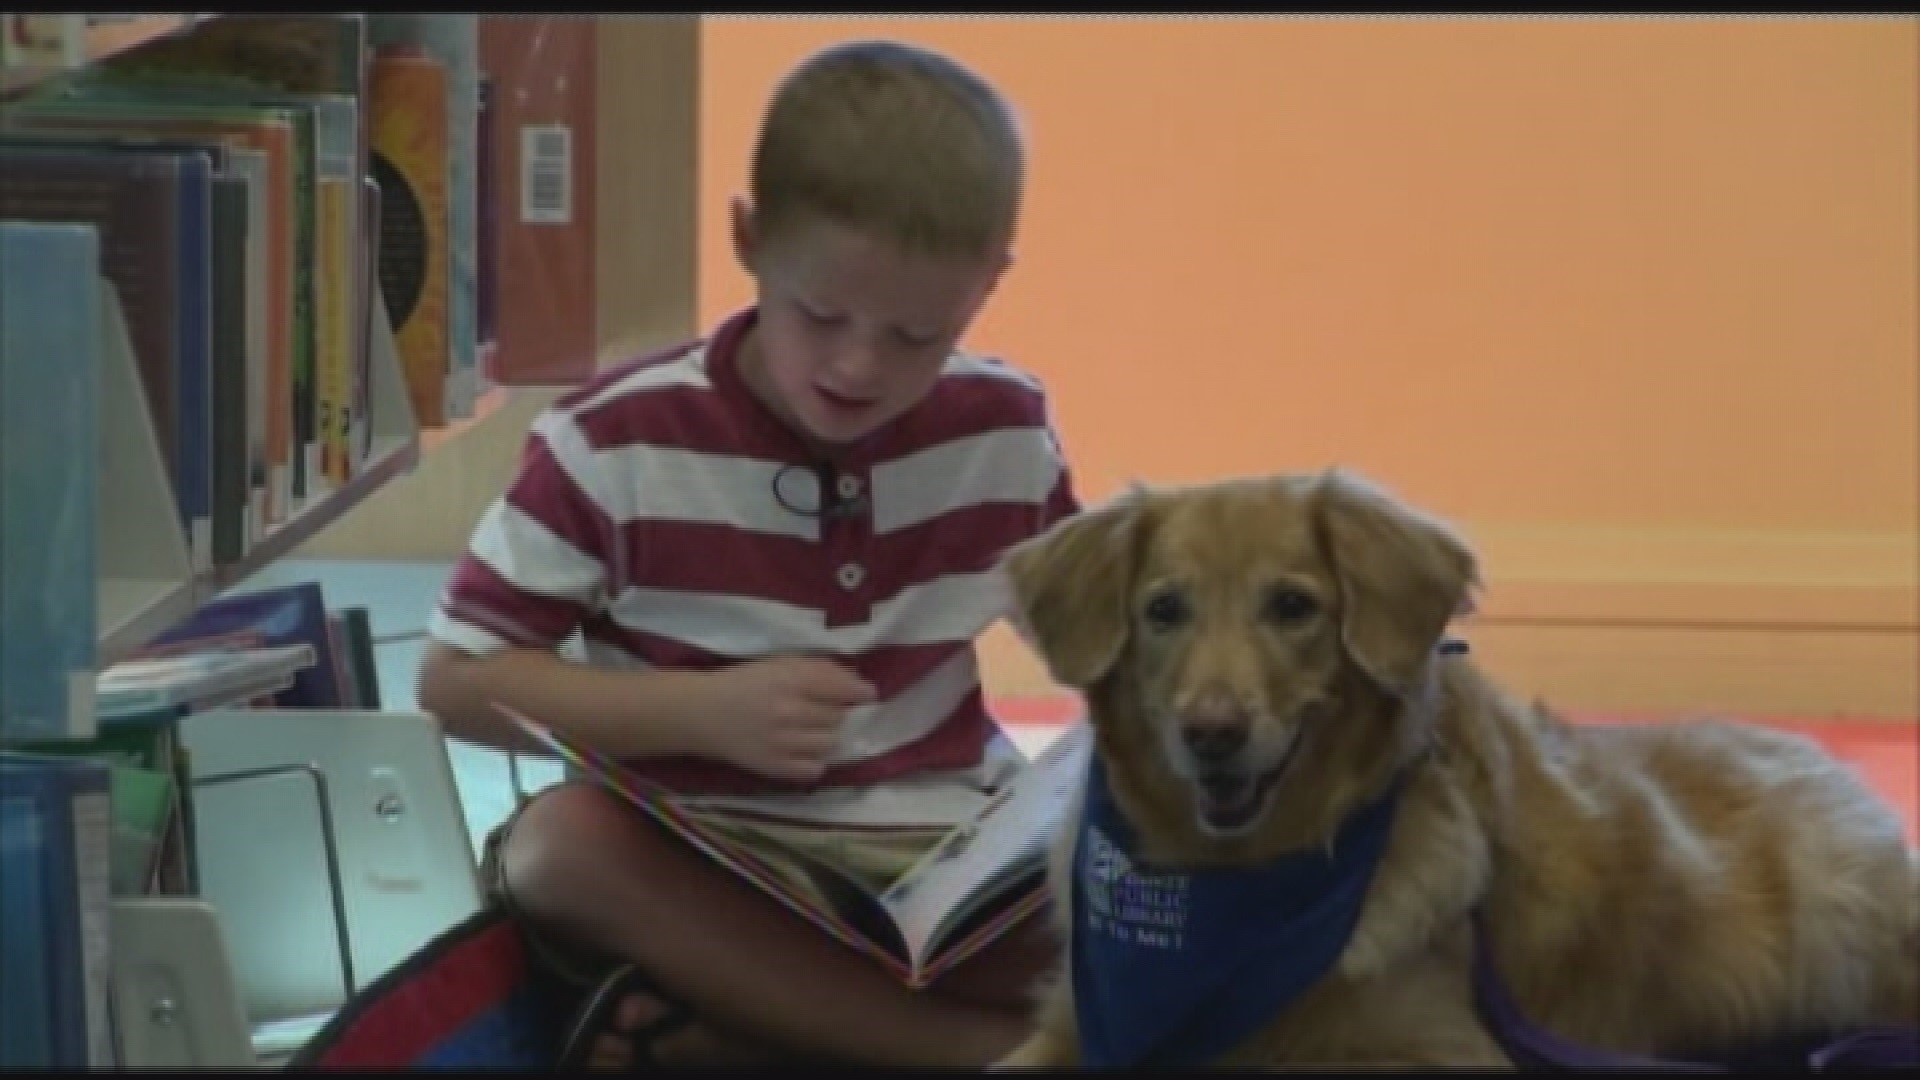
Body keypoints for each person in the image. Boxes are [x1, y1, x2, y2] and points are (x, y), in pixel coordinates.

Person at [416, 38, 1080, 1069]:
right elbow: (456, 682)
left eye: (917, 335)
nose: (859, 365)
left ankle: (741, 1040)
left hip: (945, 861)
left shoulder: (1005, 429)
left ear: (987, 287)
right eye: (820, 315)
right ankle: (977, 1054)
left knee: (1152, 876)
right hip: (715, 861)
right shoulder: (612, 442)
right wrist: (698, 714)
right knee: (559, 851)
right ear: (751, 238)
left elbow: (1090, 641)